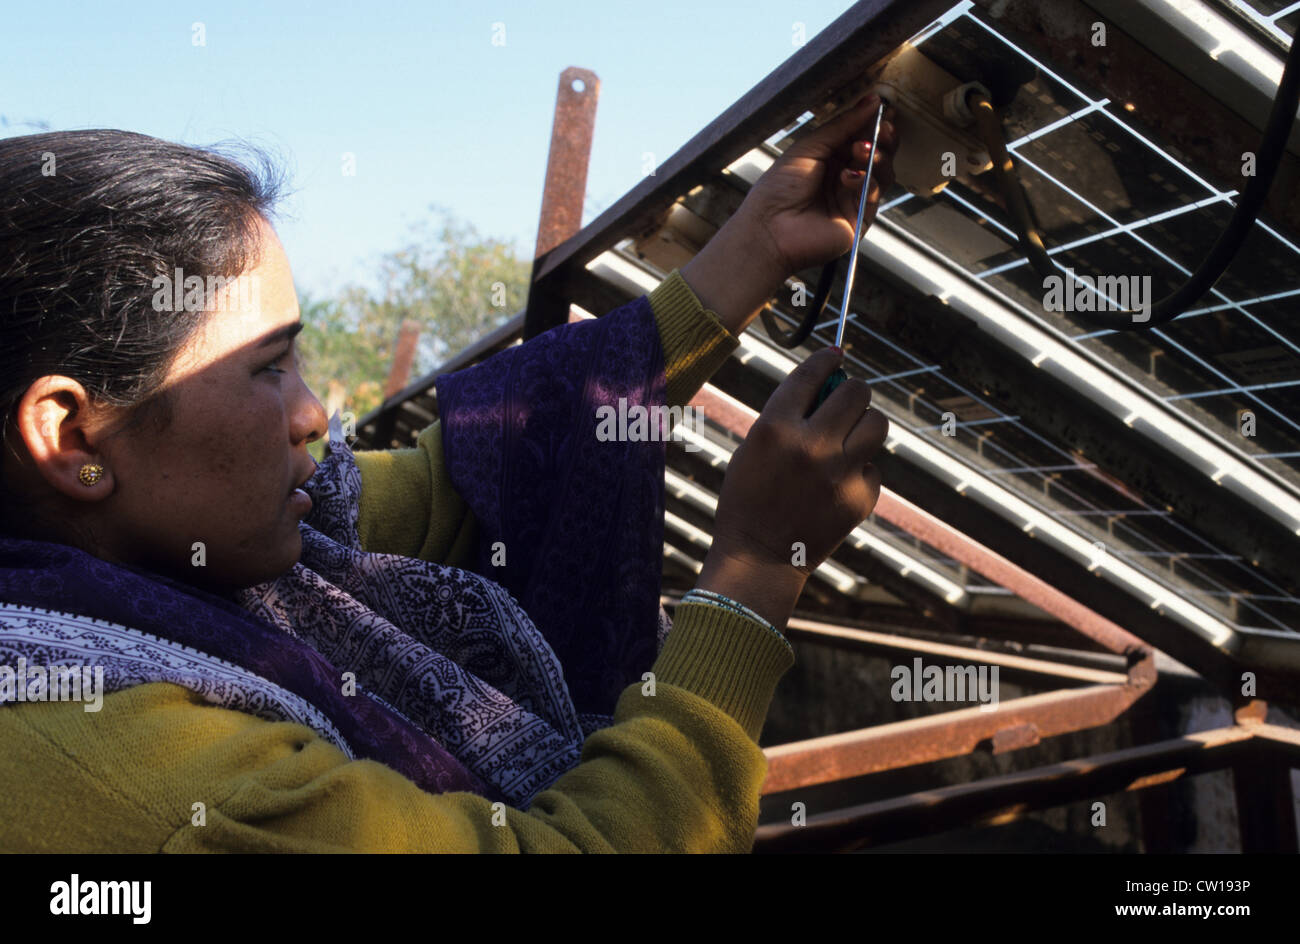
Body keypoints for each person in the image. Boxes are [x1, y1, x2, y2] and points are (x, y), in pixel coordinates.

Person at [0, 95, 895, 852]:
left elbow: (474, 475)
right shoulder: (136, 767)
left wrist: (755, 252)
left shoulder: (153, 561)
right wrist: (756, 572)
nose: (314, 416)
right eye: (267, 367)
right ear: (74, 436)